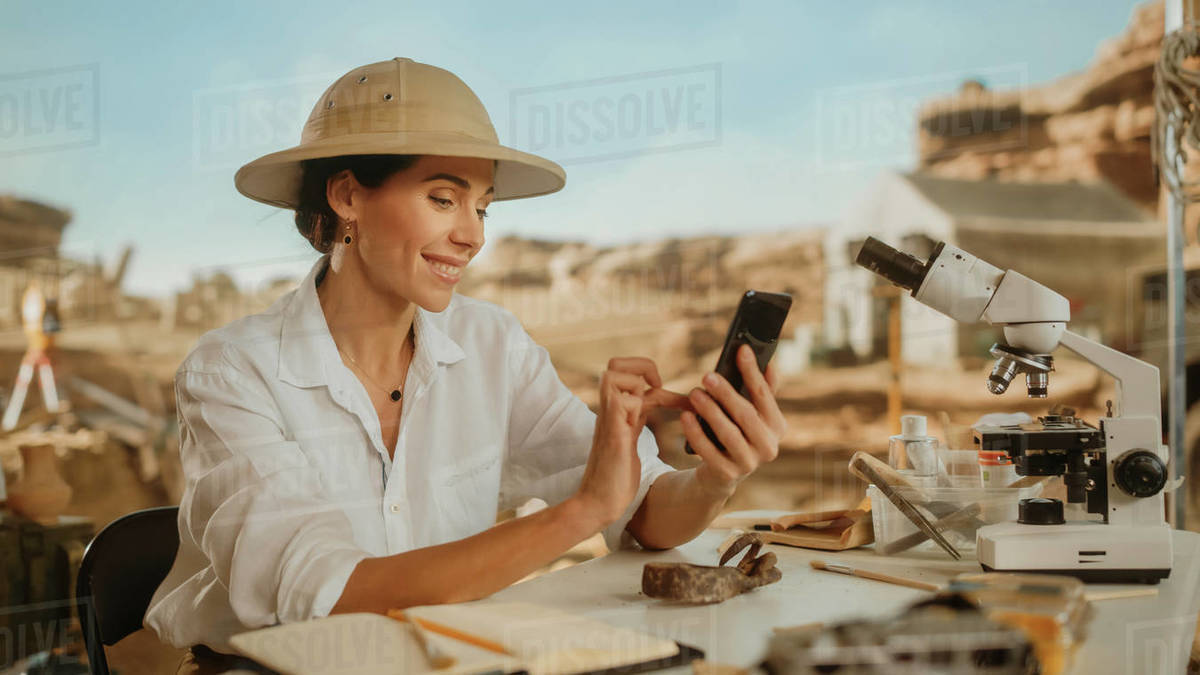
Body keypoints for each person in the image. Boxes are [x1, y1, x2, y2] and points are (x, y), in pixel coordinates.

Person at [145, 58, 787, 673]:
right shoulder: (230, 372)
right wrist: (583, 509)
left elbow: (644, 514)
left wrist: (715, 476)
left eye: (482, 207)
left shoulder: (492, 344)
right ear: (347, 195)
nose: (474, 235)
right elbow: (327, 596)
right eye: (443, 198)